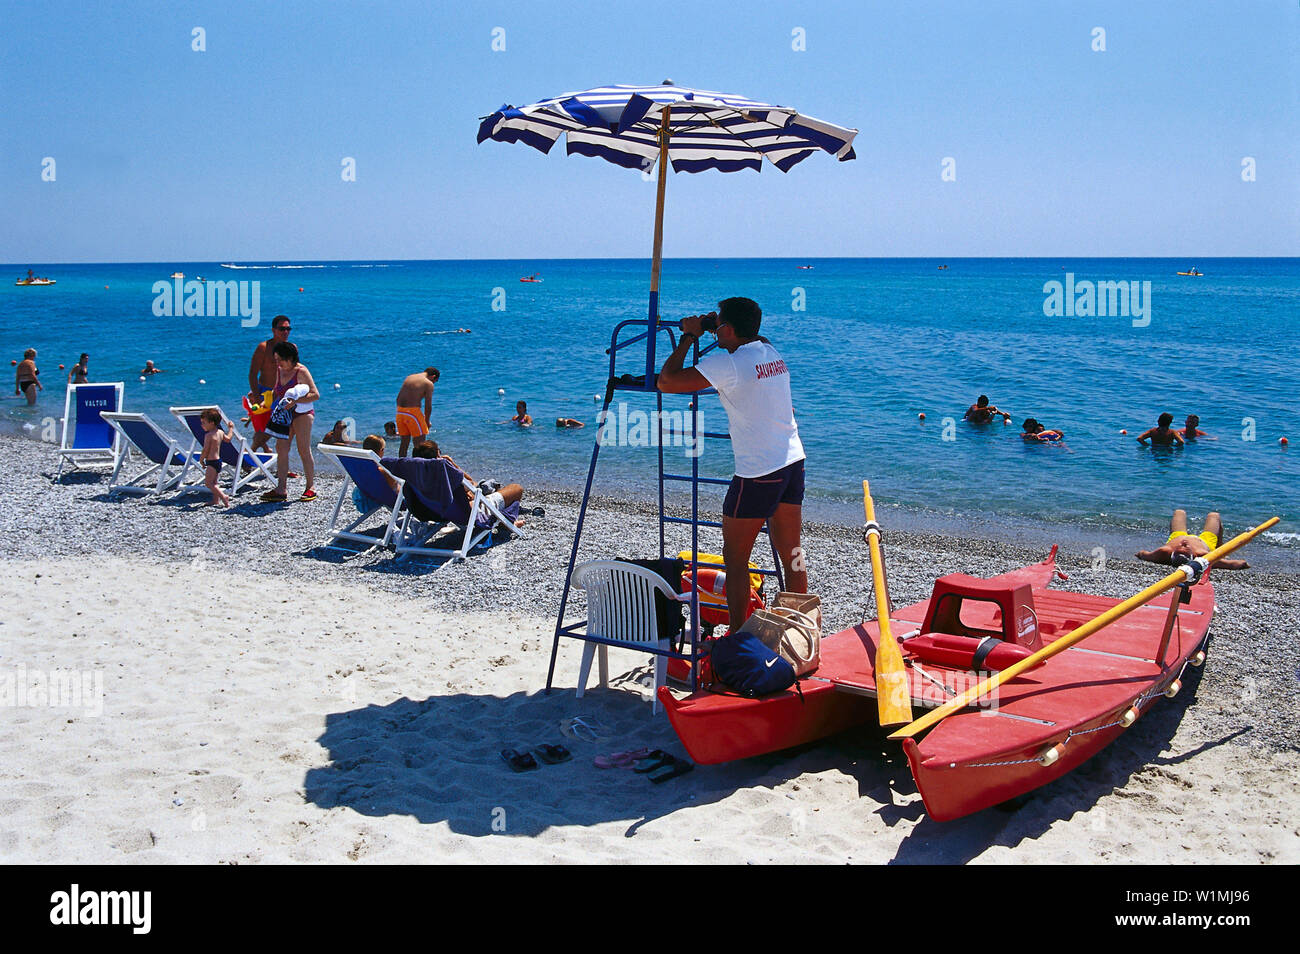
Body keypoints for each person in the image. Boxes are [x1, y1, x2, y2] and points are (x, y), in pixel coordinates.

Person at [657, 296, 807, 631]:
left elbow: (666, 382)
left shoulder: (729, 364)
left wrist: (690, 336)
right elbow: (748, 338)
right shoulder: (770, 352)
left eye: (720, 325)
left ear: (728, 328)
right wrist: (715, 327)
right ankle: (803, 628)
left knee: (735, 559)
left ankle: (739, 636)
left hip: (758, 472)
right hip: (792, 460)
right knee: (792, 552)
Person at [412, 440, 526, 528]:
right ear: (437, 457)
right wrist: (452, 464)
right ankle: (505, 524)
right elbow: (473, 483)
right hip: (470, 513)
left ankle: (504, 519)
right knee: (516, 488)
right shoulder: (446, 476)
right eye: (439, 452)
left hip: (439, 513)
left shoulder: (415, 480)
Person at [261, 341, 320, 503]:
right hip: (285, 414)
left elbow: (315, 395)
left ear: (290, 358)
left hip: (303, 414)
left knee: (303, 449)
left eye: (280, 359)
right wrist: (265, 401)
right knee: (281, 448)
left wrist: (296, 401)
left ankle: (310, 487)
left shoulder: (301, 371)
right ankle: (281, 489)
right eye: (276, 359)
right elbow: (276, 390)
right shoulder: (280, 371)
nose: (277, 363)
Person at [1136, 510, 1249, 570]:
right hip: (1205, 541)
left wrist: (1141, 554)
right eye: (1186, 547)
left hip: (1176, 536)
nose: (1184, 543)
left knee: (1179, 512)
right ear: (1193, 554)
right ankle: (1219, 547)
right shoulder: (1201, 554)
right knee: (1214, 516)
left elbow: (1144, 554)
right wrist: (1240, 564)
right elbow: (1231, 564)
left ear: (1173, 552)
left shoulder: (1164, 551)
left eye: (1180, 547)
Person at [247, 315, 292, 453]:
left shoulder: (292, 349)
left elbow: (293, 374)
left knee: (282, 432)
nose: (285, 332)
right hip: (265, 395)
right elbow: (252, 374)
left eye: (288, 329)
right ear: (273, 330)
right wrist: (257, 397)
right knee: (268, 431)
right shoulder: (264, 348)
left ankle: (277, 462)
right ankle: (247, 458)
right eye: (282, 329)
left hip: (282, 396)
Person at [394, 367, 439, 457]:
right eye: (435, 381)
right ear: (433, 377)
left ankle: (401, 466)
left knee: (404, 444)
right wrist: (426, 421)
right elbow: (428, 406)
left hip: (400, 412)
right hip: (412, 413)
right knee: (421, 446)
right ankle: (418, 468)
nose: (433, 383)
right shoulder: (428, 383)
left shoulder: (410, 377)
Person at [353, 434, 400, 513]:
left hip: (359, 500)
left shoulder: (360, 467)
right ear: (381, 450)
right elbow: (392, 490)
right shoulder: (382, 471)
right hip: (372, 502)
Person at [199, 409, 236, 508]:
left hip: (211, 461)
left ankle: (224, 497)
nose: (202, 425)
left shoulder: (208, 435)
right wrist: (231, 428)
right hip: (218, 461)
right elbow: (228, 439)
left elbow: (205, 450)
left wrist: (201, 460)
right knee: (214, 482)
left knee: (208, 483)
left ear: (211, 423)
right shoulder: (220, 432)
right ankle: (215, 500)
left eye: (203, 423)